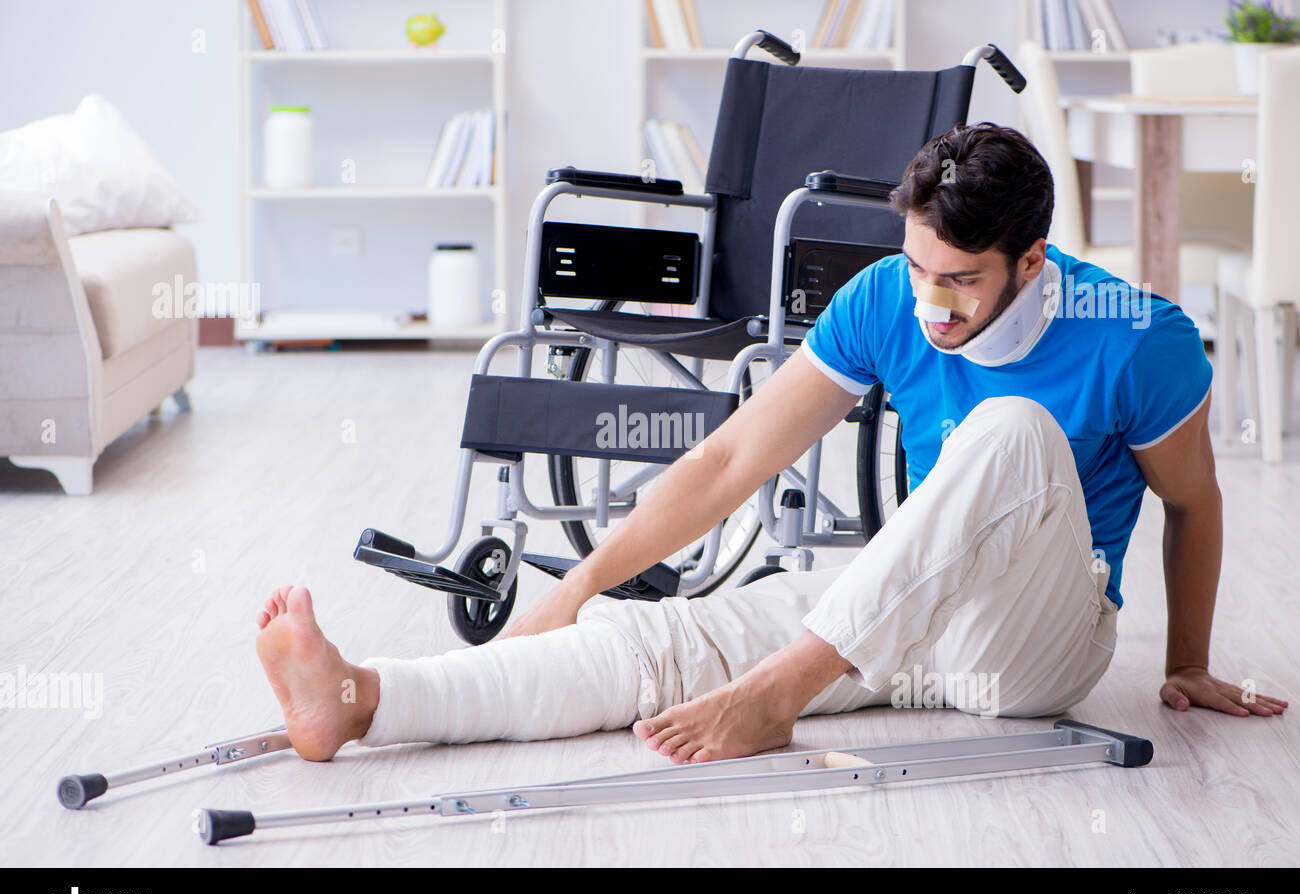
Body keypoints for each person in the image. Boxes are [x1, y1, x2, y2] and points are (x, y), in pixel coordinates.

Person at [254, 123, 1287, 768]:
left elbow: (1193, 502)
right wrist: (576, 590)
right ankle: (365, 700)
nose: (928, 303)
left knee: (1006, 428)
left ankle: (776, 697)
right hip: (897, 604)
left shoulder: (1134, 334)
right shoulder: (888, 296)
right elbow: (727, 460)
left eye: (960, 281)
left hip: (1029, 645)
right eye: (918, 268)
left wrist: (1188, 662)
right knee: (661, 646)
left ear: (1029, 261)